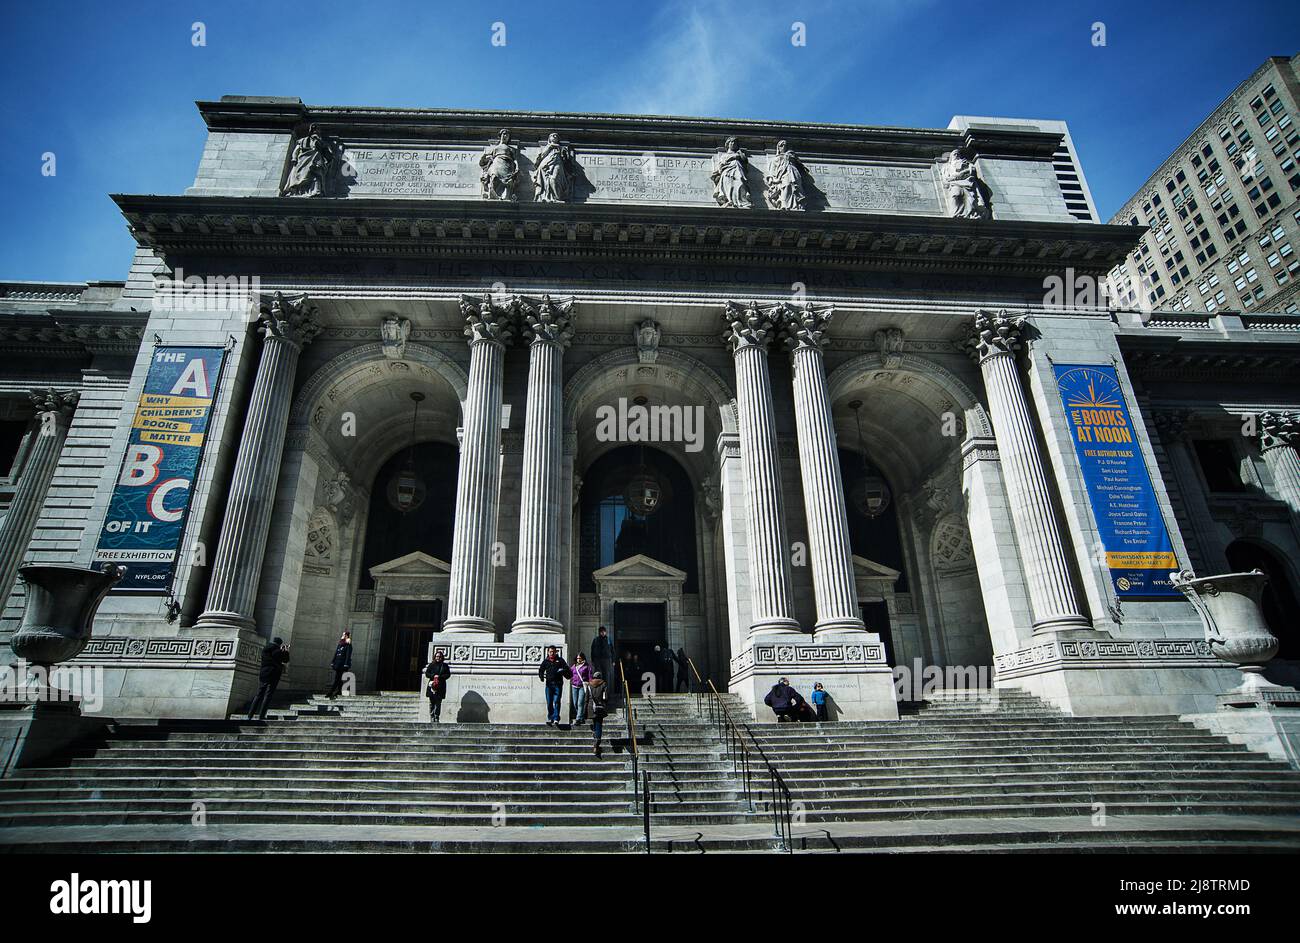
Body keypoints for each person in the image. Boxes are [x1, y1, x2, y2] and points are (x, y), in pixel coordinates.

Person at [247, 637, 290, 720]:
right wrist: (284, 652)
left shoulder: (266, 649)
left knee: (259, 694)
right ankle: (261, 715)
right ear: (280, 643)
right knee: (268, 695)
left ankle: (250, 715)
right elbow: (285, 660)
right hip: (274, 674)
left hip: (264, 674)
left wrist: (284, 651)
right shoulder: (276, 650)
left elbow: (284, 660)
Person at [537, 645, 570, 726]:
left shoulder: (560, 660)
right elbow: (541, 669)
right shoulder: (546, 661)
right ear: (548, 652)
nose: (551, 653)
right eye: (550, 652)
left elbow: (567, 669)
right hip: (549, 685)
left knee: (557, 701)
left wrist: (562, 671)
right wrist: (541, 677)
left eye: (553, 652)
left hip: (558, 684)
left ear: (556, 652)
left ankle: (556, 718)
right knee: (549, 702)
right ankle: (550, 717)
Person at [424, 650, 452, 723]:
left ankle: (436, 717)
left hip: (440, 686)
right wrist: (433, 676)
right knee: (431, 703)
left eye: (439, 656)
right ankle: (432, 717)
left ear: (441, 657)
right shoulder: (431, 665)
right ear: (434, 657)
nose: (438, 658)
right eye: (436, 656)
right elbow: (427, 673)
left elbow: (448, 675)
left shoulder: (444, 666)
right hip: (432, 686)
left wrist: (439, 677)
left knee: (438, 703)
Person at [588, 671, 610, 756]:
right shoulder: (603, 684)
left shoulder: (589, 684)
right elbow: (605, 696)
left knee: (594, 721)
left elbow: (587, 697)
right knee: (599, 723)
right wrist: (605, 703)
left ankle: (595, 736)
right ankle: (597, 739)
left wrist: (585, 707)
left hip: (591, 707)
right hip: (600, 706)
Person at [326, 631, 352, 699]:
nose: (343, 635)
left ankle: (331, 691)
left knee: (337, 678)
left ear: (347, 636)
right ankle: (340, 691)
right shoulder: (340, 644)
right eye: (343, 634)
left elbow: (348, 655)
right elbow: (336, 653)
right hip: (337, 663)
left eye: (344, 634)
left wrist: (346, 664)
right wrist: (333, 661)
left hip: (342, 664)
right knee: (339, 678)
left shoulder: (348, 645)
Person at [570, 653, 593, 725]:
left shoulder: (586, 666)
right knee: (575, 703)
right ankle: (581, 717)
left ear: (583, 658)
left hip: (582, 686)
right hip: (574, 686)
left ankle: (578, 718)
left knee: (580, 702)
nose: (578, 660)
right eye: (577, 658)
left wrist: (590, 683)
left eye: (580, 658)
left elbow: (590, 676)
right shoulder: (574, 666)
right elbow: (570, 673)